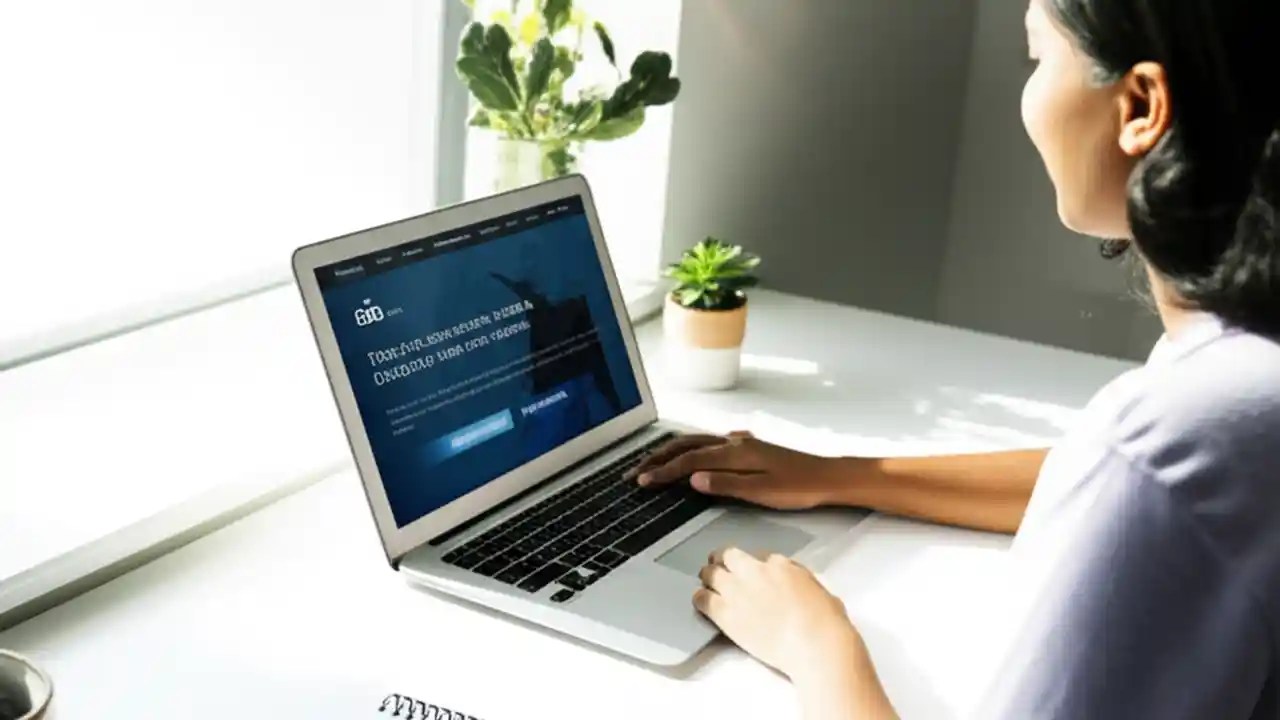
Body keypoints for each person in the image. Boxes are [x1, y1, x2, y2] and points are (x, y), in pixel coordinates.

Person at [629, 0, 1280, 717]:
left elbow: (1144, 476)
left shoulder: (1170, 436)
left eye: (1038, 57)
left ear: (1140, 106)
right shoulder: (1235, 383)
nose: (1026, 98)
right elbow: (1132, 483)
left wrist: (815, 647)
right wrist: (839, 474)